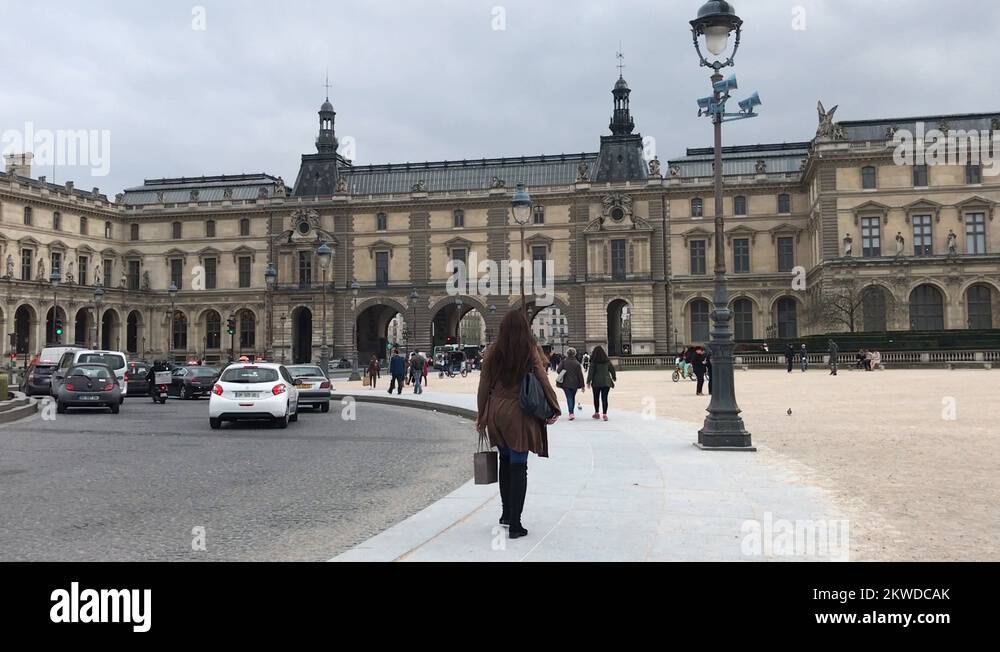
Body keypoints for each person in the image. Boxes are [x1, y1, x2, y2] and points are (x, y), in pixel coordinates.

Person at [476, 311, 560, 540]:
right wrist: (554, 406)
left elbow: (484, 385)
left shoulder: (493, 350)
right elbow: (542, 378)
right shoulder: (528, 349)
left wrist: (481, 414)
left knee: (505, 462)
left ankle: (505, 514)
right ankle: (515, 524)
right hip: (518, 412)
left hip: (496, 412)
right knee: (518, 466)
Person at [586, 346, 617, 420]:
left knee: (596, 398)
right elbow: (612, 369)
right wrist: (614, 377)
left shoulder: (593, 362)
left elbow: (591, 373)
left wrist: (588, 381)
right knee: (605, 398)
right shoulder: (607, 361)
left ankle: (597, 413)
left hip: (596, 383)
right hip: (606, 382)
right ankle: (605, 414)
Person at [556, 347, 585, 421]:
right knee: (572, 397)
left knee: (569, 397)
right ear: (574, 354)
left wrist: (564, 371)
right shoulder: (577, 363)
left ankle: (571, 413)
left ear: (567, 354)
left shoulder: (563, 361)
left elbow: (558, 370)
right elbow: (580, 375)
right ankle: (571, 412)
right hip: (575, 383)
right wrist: (582, 385)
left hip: (565, 383)